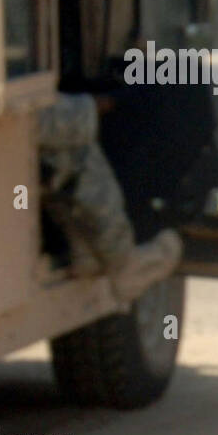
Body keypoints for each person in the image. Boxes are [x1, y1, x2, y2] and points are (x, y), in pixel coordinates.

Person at [38, 92, 182, 301]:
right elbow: (29, 121)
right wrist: (92, 106)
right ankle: (123, 264)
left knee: (57, 162)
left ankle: (87, 253)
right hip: (16, 191)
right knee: (78, 153)